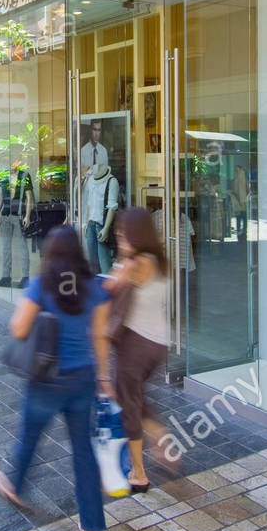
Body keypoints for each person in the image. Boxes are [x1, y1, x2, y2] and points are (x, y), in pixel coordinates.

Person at [0, 226, 109, 531]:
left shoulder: (41, 284)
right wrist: (103, 380)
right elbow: (100, 338)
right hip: (83, 379)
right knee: (84, 452)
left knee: (30, 437)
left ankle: (13, 484)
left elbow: (18, 327)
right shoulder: (93, 287)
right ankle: (93, 527)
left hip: (47, 379)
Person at [101, 208, 169, 493]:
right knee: (136, 396)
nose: (117, 235)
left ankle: (138, 473)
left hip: (137, 345)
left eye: (122, 231)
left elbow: (107, 287)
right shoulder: (157, 260)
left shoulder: (134, 264)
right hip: (159, 343)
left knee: (129, 405)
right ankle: (161, 439)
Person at [0, 155, 34, 287]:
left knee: (22, 245)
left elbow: (29, 197)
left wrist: (27, 215)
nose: (12, 163)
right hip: (6, 213)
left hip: (19, 214)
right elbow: (0, 195)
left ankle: (25, 277)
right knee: (5, 246)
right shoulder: (3, 175)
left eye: (14, 161)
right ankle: (5, 276)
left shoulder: (24, 176)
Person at [82, 161, 120, 274]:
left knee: (105, 262)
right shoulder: (91, 181)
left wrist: (106, 228)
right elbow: (89, 203)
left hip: (102, 224)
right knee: (92, 262)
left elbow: (112, 207)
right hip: (91, 224)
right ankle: (96, 287)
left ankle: (106, 288)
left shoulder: (112, 182)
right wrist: (87, 221)